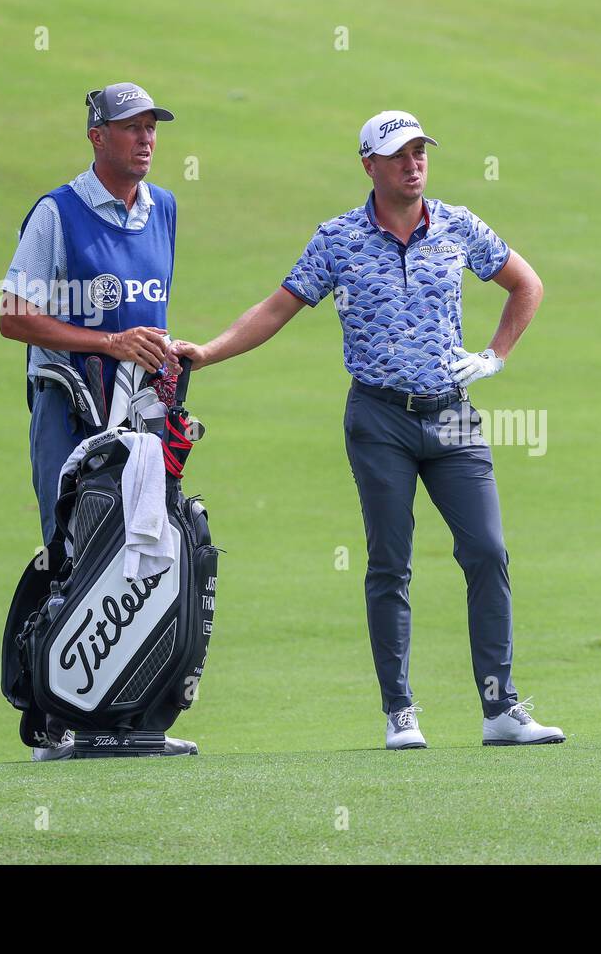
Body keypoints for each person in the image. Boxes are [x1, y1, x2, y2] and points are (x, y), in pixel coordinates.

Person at [173, 110, 565, 749]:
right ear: (369, 166)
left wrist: (494, 356)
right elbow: (278, 307)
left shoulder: (459, 226)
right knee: (391, 562)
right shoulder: (339, 239)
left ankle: (500, 710)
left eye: (420, 152)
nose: (414, 163)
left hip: (451, 414)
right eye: (400, 154)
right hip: (378, 419)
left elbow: (527, 285)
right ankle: (400, 713)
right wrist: (209, 352)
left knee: (488, 552)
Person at [0, 81, 195, 760]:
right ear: (96, 136)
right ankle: (55, 718)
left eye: (152, 127)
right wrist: (106, 344)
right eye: (131, 127)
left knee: (142, 545)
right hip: (69, 406)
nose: (146, 139)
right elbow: (12, 314)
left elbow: (149, 315)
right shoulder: (57, 212)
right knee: (72, 546)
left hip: (140, 409)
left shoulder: (163, 209)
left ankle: (127, 712)